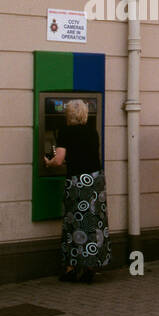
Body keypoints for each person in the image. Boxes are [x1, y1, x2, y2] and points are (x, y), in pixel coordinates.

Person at [44, 99, 111, 283]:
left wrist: (48, 162)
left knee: (74, 223)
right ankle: (90, 268)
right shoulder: (92, 131)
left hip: (78, 182)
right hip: (96, 181)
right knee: (93, 223)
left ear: (69, 115)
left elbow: (58, 160)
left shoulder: (65, 132)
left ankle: (71, 268)